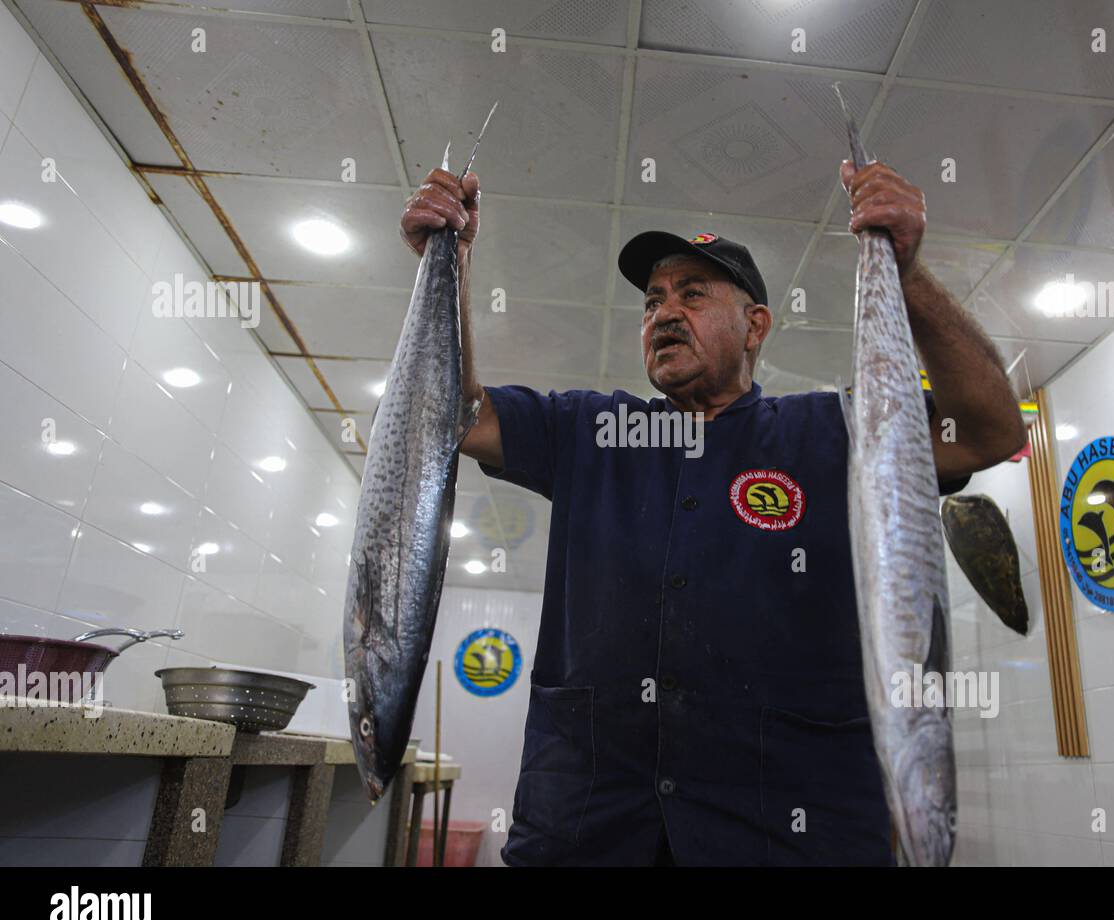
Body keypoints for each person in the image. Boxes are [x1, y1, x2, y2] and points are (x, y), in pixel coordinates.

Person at [399, 158, 1026, 866]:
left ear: (756, 325)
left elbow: (989, 432)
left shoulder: (834, 431)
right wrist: (445, 267)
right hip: (585, 833)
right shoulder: (589, 431)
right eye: (652, 301)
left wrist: (908, 274)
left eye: (692, 295)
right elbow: (449, 415)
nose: (664, 313)